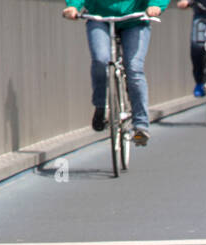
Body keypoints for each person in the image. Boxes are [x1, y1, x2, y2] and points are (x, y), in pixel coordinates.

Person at [62, 0, 168, 147]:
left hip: (135, 20)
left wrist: (156, 5)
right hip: (99, 18)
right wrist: (73, 6)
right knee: (101, 60)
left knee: (134, 68)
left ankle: (141, 126)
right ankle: (101, 106)